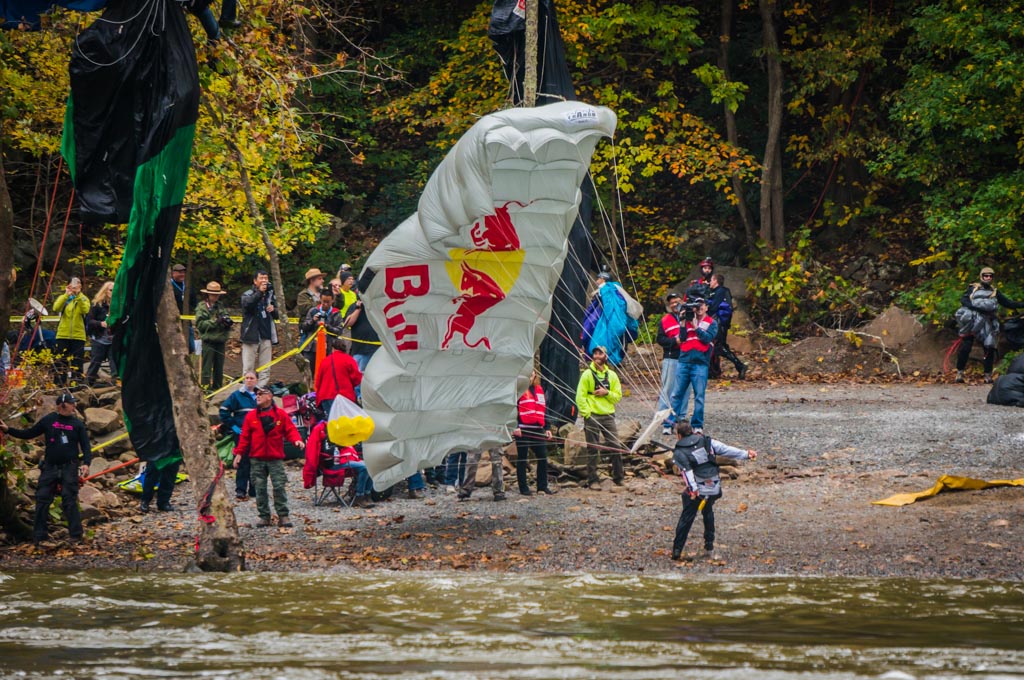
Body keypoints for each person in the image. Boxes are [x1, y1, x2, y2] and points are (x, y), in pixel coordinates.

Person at [0, 392, 91, 546]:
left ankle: (76, 535)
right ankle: (39, 535)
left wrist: (86, 463)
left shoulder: (77, 424)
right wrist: (8, 430)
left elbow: (86, 446)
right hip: (50, 466)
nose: (74, 406)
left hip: (70, 466)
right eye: (71, 403)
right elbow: (29, 433)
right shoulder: (49, 420)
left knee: (69, 500)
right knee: (42, 498)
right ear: (62, 405)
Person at [670, 421, 757, 561]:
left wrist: (693, 490)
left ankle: (677, 551)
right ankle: (709, 547)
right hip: (714, 487)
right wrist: (746, 454)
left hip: (698, 490)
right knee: (708, 511)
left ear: (678, 436)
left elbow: (687, 472)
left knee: (687, 518)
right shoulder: (706, 441)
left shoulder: (680, 451)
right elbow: (725, 449)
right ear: (691, 431)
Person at [233, 385, 304, 527]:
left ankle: (283, 515)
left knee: (279, 486)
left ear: (269, 396)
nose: (257, 396)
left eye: (261, 394)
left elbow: (290, 430)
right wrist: (239, 454)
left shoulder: (280, 415)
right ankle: (264, 516)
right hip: (257, 458)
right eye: (256, 394)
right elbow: (245, 437)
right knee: (259, 488)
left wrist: (297, 440)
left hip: (275, 458)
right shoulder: (251, 416)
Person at [954, 267, 1023, 383]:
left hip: (987, 322)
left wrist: (1022, 305)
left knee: (989, 348)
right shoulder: (973, 288)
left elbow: (1009, 303)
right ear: (981, 276)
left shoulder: (994, 292)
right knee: (966, 347)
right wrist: (976, 308)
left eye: (990, 276)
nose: (988, 278)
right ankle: (959, 373)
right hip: (972, 320)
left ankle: (987, 375)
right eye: (986, 276)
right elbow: (964, 300)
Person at [575, 345, 624, 490]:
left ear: (605, 356)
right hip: (593, 416)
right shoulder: (587, 374)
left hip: (608, 415)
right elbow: (580, 396)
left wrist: (606, 393)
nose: (597, 356)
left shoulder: (613, 376)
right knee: (593, 448)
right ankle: (593, 480)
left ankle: (618, 477)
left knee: (615, 445)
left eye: (600, 354)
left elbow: (618, 397)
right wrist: (587, 414)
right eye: (595, 354)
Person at [666, 298, 717, 433]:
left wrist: (695, 327)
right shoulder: (687, 320)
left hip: (700, 363)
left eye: (702, 305)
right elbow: (681, 338)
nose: (699, 307)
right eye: (696, 305)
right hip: (684, 361)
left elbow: (707, 339)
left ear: (706, 307)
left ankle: (697, 425)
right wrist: (683, 322)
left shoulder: (712, 322)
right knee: (676, 394)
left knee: (699, 396)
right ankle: (670, 424)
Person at [302, 419, 376, 508]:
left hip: (342, 459)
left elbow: (344, 445)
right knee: (364, 467)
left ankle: (367, 494)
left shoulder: (337, 430)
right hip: (333, 464)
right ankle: (359, 496)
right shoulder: (323, 432)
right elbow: (325, 452)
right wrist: (337, 445)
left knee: (372, 466)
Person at [513, 369, 556, 495]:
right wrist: (515, 426)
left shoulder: (539, 389)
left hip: (537, 428)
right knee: (522, 457)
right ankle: (523, 488)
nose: (530, 376)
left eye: (532, 373)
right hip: (523, 428)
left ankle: (542, 486)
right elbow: (512, 409)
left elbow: (544, 410)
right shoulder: (518, 390)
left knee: (542, 456)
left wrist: (547, 428)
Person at [219, 371, 259, 500]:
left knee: (257, 462)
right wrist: (234, 426)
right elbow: (224, 412)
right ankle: (240, 489)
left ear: (256, 380)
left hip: (258, 436)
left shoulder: (261, 395)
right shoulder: (237, 396)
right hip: (242, 434)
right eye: (246, 378)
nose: (249, 380)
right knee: (242, 461)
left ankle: (254, 489)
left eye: (251, 378)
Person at [240, 270, 278, 387]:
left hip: (266, 334)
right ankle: (246, 389)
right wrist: (259, 293)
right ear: (255, 281)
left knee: (265, 367)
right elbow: (247, 305)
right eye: (261, 278)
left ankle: (260, 389)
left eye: (266, 278)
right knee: (248, 367)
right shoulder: (248, 294)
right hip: (251, 334)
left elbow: (278, 315)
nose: (264, 281)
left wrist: (274, 309)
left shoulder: (270, 295)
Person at [707, 273, 748, 380]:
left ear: (716, 281)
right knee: (718, 347)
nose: (709, 282)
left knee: (719, 347)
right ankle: (714, 371)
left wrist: (706, 306)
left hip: (719, 324)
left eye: (711, 280)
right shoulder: (714, 292)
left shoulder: (722, 291)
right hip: (717, 324)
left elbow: (714, 307)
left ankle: (740, 366)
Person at [52, 277, 90, 385]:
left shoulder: (84, 299)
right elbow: (56, 308)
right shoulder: (64, 298)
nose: (75, 285)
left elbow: (85, 309)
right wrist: (66, 295)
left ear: (81, 286)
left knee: (77, 362)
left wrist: (78, 295)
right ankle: (59, 384)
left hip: (78, 336)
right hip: (63, 335)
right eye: (72, 283)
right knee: (60, 361)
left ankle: (76, 385)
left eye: (77, 283)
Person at [194, 281, 231, 390]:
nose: (216, 297)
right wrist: (215, 321)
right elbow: (200, 325)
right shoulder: (201, 307)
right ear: (208, 294)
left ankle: (217, 389)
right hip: (208, 341)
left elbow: (226, 318)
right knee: (206, 367)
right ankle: (205, 389)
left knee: (219, 368)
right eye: (213, 294)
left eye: (217, 294)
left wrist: (226, 322)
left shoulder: (221, 306)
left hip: (220, 340)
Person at [300, 288, 344, 376]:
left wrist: (327, 327)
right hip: (312, 348)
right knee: (310, 373)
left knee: (328, 374)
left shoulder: (336, 313)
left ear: (333, 300)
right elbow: (304, 327)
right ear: (320, 299)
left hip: (329, 348)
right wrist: (313, 320)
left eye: (328, 302)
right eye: (324, 301)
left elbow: (339, 331)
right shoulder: (313, 311)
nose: (326, 304)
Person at [314, 336, 362, 414]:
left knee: (333, 422)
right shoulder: (349, 359)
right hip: (345, 396)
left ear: (333, 348)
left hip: (326, 397)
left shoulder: (325, 361)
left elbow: (318, 382)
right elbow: (357, 379)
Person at [656, 292, 683, 434]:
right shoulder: (665, 320)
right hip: (671, 357)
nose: (674, 304)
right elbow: (660, 339)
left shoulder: (688, 316)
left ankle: (680, 420)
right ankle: (664, 419)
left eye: (676, 301)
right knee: (668, 389)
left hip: (686, 358)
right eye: (671, 302)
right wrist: (674, 342)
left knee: (683, 390)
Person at [85, 281, 117, 386]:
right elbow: (89, 321)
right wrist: (100, 323)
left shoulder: (117, 305)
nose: (113, 292)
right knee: (96, 362)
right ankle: (88, 384)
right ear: (105, 291)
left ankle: (116, 383)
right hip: (99, 338)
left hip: (112, 339)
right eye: (111, 290)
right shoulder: (97, 305)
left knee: (114, 362)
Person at [170, 263, 198, 355]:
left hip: (187, 320)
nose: (182, 274)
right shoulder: (169, 286)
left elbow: (195, 302)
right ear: (173, 273)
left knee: (190, 345)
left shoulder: (187, 286)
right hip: (173, 320)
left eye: (183, 272)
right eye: (179, 272)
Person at [295, 268, 324, 340]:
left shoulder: (324, 293)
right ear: (312, 280)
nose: (323, 281)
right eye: (319, 279)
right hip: (309, 330)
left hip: (323, 328)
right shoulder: (303, 295)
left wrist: (337, 295)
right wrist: (322, 301)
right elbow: (305, 309)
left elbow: (337, 305)